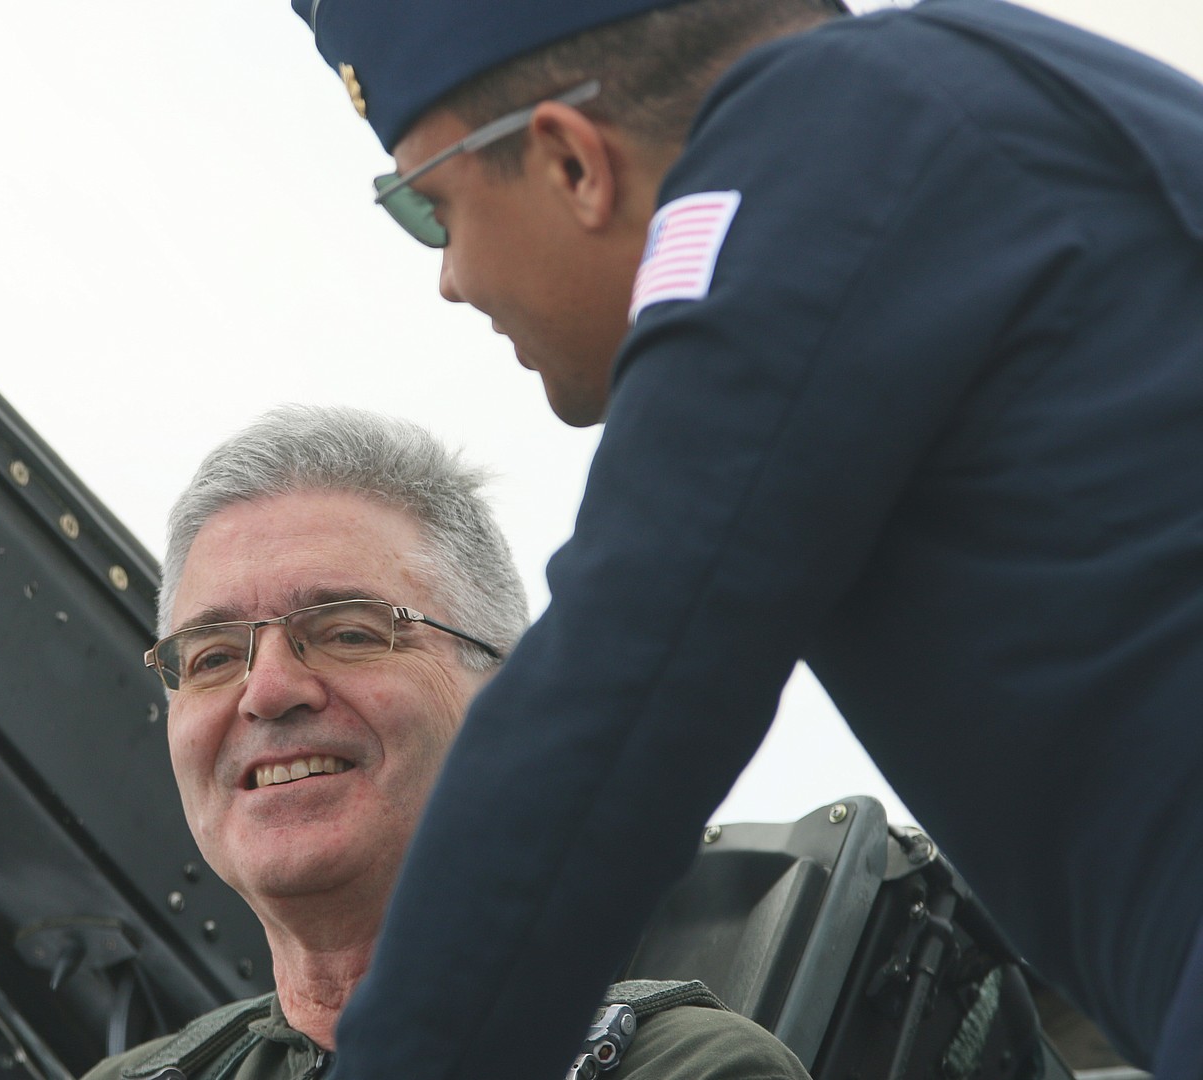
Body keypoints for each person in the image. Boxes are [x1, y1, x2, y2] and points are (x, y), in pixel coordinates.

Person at [282, 1, 1203, 1078]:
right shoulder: (987, 92)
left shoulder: (820, 154)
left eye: (429, 207)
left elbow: (609, 716)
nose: (451, 279)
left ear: (572, 161)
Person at [85, 405, 812, 1080]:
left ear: (510, 702)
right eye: (212, 656)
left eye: (347, 633)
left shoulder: (686, 1069)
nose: (268, 691)